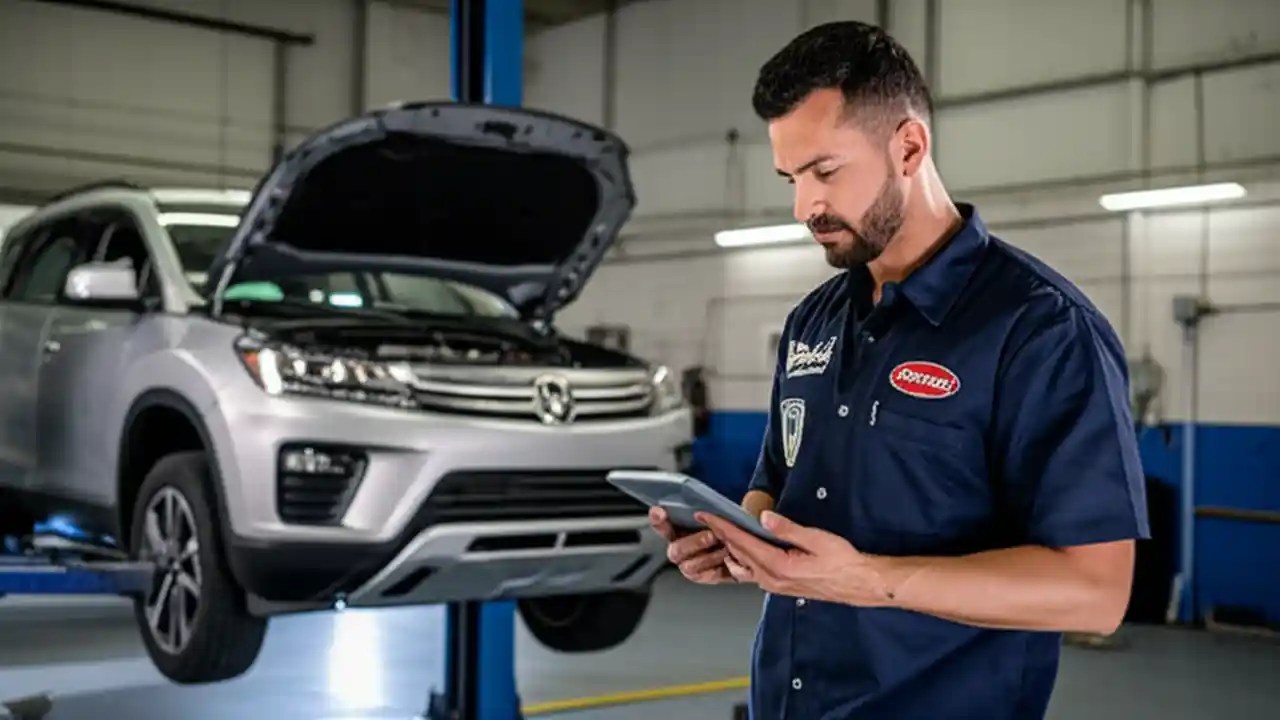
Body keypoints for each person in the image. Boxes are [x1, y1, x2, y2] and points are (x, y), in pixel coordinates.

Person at [649, 20, 1150, 720]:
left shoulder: (1039, 330)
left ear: (909, 146)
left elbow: (1096, 594)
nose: (804, 208)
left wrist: (864, 580)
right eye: (791, 178)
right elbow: (775, 490)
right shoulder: (812, 323)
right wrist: (739, 541)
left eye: (825, 171)